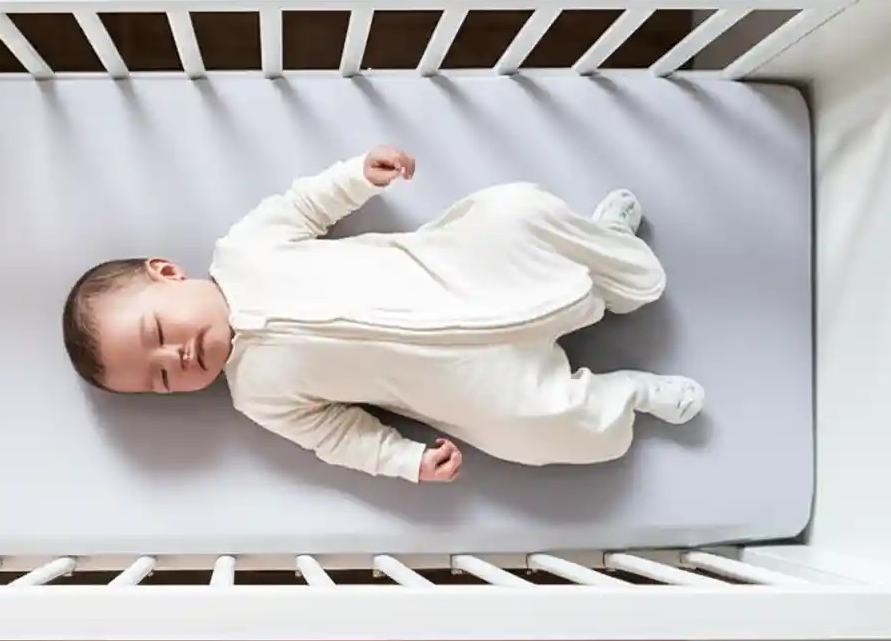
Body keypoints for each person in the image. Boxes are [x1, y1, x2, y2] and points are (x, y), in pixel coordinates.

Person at [61, 145, 704, 483]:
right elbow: (339, 438)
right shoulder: (258, 397)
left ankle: (609, 251)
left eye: (157, 334)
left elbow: (305, 206)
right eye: (162, 379)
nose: (175, 358)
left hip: (457, 270)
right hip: (465, 386)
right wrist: (404, 462)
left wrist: (358, 175)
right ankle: (629, 395)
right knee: (533, 434)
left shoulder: (244, 248)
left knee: (515, 211)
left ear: (167, 272)